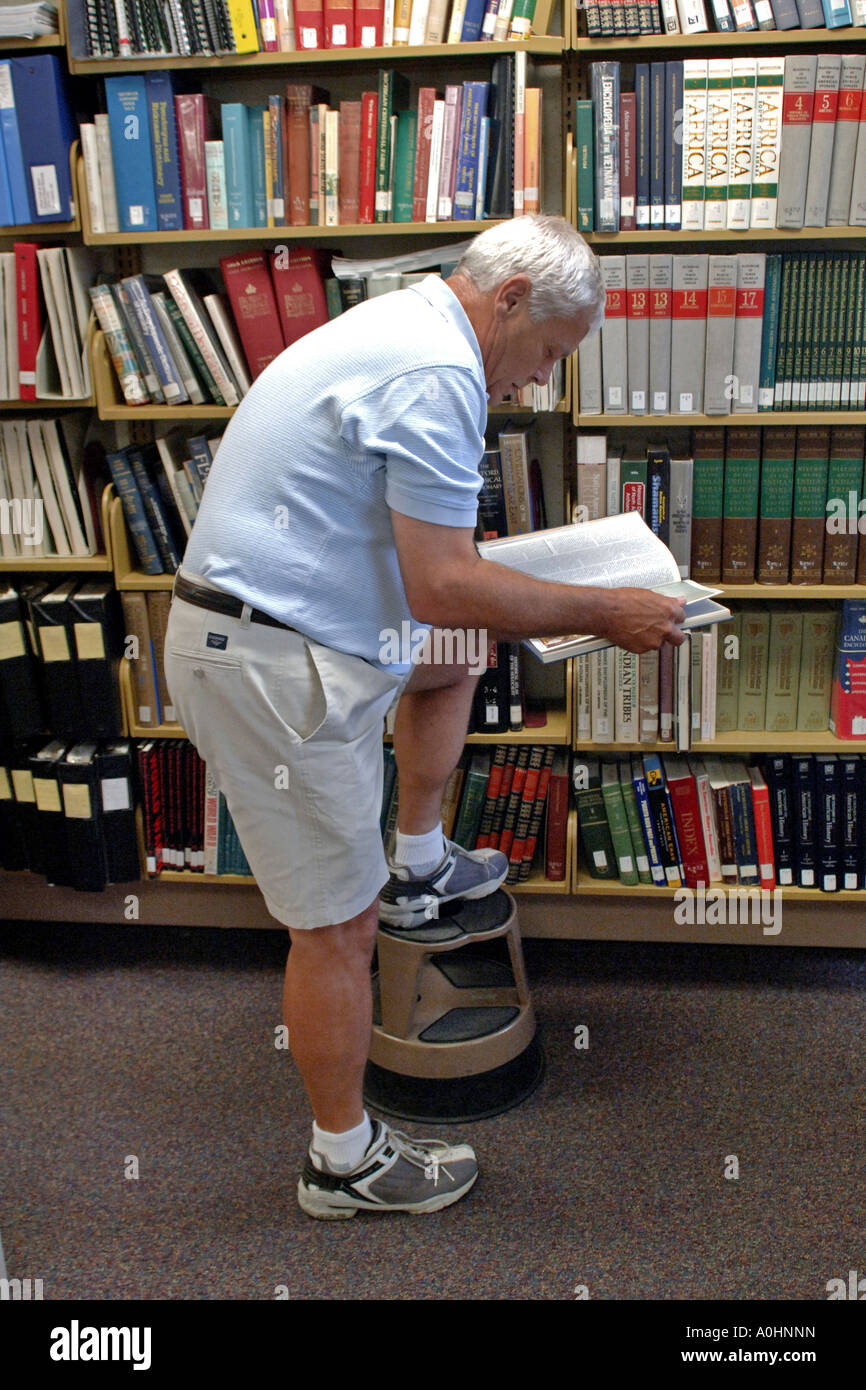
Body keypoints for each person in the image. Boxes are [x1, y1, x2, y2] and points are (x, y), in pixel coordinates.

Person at [164, 215, 685, 1222]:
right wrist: (601, 610)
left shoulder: (407, 325)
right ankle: (340, 1162)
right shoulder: (437, 374)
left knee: (457, 655)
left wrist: (509, 594)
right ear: (511, 302)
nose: (534, 384)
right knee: (334, 928)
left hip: (295, 630)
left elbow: (439, 591)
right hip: (274, 664)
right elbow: (443, 582)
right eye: (547, 357)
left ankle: (415, 856)